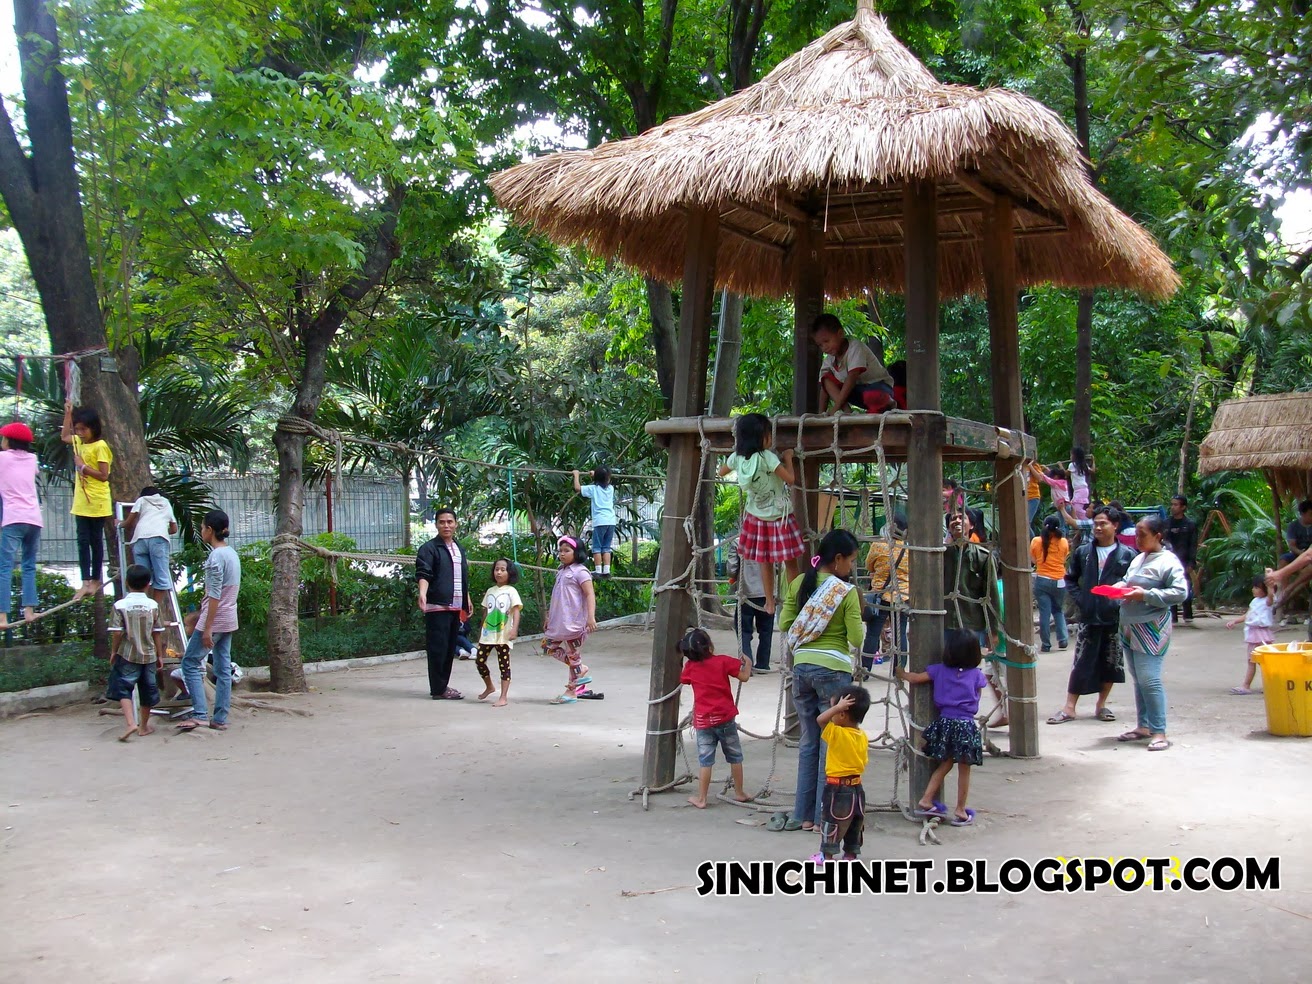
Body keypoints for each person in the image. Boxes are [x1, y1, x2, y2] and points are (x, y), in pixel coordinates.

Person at [772, 529, 863, 833]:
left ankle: (803, 814)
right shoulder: (845, 591)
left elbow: (785, 623)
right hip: (834, 673)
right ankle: (826, 817)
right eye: (850, 561)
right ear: (837, 559)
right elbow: (856, 638)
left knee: (809, 741)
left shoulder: (799, 582)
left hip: (802, 670)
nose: (851, 568)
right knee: (831, 745)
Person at [1047, 506, 1135, 725]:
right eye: (1096, 522)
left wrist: (1118, 603)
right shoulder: (1083, 552)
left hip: (1113, 618)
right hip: (1088, 616)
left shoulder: (1127, 555)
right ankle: (1070, 707)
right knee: (1081, 660)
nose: (1098, 527)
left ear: (1115, 526)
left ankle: (1101, 705)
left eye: (1103, 523)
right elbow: (1070, 578)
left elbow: (1133, 585)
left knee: (1111, 662)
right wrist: (1082, 599)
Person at [898, 629, 988, 826]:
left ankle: (926, 799)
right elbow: (977, 698)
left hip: (945, 722)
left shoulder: (938, 670)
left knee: (945, 763)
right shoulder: (976, 675)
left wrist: (900, 672)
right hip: (965, 724)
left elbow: (914, 678)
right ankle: (961, 810)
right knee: (965, 768)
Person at [1114, 516, 1188, 751]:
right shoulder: (1138, 559)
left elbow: (1180, 592)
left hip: (1152, 625)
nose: (1137, 539)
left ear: (1158, 536)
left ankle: (1159, 731)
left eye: (1142, 534)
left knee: (1150, 678)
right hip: (1129, 624)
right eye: (1136, 534)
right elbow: (1128, 581)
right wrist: (1119, 588)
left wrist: (1145, 595)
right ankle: (1144, 725)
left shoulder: (1168, 561)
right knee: (1139, 679)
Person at [718, 413, 803, 615]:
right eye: (767, 434)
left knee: (765, 560)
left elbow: (721, 472)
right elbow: (790, 479)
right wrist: (789, 459)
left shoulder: (737, 458)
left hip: (756, 518)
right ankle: (795, 599)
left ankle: (769, 602)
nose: (770, 438)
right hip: (779, 516)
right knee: (790, 561)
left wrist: (734, 460)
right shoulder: (768, 458)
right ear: (759, 437)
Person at [176, 511, 241, 732]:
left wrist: (207, 627)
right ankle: (220, 717)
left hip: (215, 619)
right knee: (223, 669)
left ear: (210, 530)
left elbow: (214, 595)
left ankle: (201, 714)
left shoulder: (215, 557)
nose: (201, 531)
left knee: (189, 663)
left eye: (203, 527)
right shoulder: (231, 553)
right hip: (229, 617)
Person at [678, 627, 752, 809]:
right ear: (709, 646)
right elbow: (744, 677)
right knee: (735, 756)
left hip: (703, 721)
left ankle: (702, 798)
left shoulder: (690, 667)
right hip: (725, 718)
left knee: (705, 760)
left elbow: (684, 680)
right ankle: (740, 792)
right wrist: (748, 664)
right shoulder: (722, 661)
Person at [415, 507, 472, 701]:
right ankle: (438, 689)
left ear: (456, 524)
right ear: (436, 524)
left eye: (450, 522)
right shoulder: (429, 548)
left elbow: (462, 576)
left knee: (449, 649)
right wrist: (422, 594)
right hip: (437, 606)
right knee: (437, 648)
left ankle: (442, 686)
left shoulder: (459, 548)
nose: (446, 525)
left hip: (455, 606)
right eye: (442, 522)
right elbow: (424, 573)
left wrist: (467, 598)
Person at [810, 686, 872, 863]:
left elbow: (821, 720)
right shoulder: (862, 735)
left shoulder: (837, 733)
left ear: (842, 714)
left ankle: (826, 855)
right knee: (854, 822)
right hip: (857, 788)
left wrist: (836, 707)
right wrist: (837, 706)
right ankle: (851, 854)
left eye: (835, 710)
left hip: (836, 787)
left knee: (831, 820)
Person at [106, 564, 167, 741]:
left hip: (127, 654)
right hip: (149, 655)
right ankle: (144, 727)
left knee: (123, 687)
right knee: (148, 689)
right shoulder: (153, 605)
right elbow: (157, 632)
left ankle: (130, 722)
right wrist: (159, 654)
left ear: (126, 582)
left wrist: (113, 651)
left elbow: (117, 632)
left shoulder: (120, 605)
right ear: (148, 584)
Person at [61, 402, 113, 600]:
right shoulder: (79, 443)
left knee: (95, 540)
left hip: (97, 501)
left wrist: (82, 467)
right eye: (78, 429)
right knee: (82, 541)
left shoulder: (100, 446)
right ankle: (85, 581)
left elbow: (103, 475)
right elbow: (65, 436)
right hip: (82, 502)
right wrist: (68, 414)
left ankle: (96, 580)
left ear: (93, 428)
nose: (80, 433)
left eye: (84, 429)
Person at [543, 534, 597, 704]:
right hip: (558, 621)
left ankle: (571, 692)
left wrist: (591, 617)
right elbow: (556, 597)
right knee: (548, 647)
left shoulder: (581, 571)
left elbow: (589, 594)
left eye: (567, 550)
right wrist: (549, 617)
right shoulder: (561, 571)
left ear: (577, 552)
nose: (562, 554)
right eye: (560, 550)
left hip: (574, 621)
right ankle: (580, 668)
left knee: (573, 654)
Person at [0, 422, 42, 629]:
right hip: (34, 519)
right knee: (28, 566)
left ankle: (2, 616)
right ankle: (29, 611)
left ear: (8, 440)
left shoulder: (2, 458)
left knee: (4, 568)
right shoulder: (33, 459)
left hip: (13, 518)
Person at [811, 312, 895, 414]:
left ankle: (887, 403)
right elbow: (824, 388)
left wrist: (834, 409)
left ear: (840, 334)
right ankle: (847, 412)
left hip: (879, 387)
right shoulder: (829, 360)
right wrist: (821, 414)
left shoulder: (855, 347)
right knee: (826, 379)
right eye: (820, 345)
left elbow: (852, 378)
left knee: (873, 395)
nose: (824, 347)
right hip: (859, 393)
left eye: (826, 341)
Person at [121, 484, 179, 608]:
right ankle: (153, 610)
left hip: (140, 539)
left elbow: (129, 522)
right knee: (162, 578)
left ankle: (142, 607)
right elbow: (174, 529)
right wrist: (161, 530)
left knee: (141, 577)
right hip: (159, 539)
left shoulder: (141, 500)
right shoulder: (165, 502)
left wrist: (120, 524)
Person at [863, 513, 908, 670]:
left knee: (873, 634)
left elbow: (869, 565)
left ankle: (866, 670)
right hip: (903, 596)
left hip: (880, 596)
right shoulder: (909, 547)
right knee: (900, 634)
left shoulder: (879, 546)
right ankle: (899, 670)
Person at [475, 558, 523, 706]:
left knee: (504, 665)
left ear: (510, 573)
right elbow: (485, 612)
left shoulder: (511, 591)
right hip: (487, 634)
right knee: (479, 661)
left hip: (503, 635)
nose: (499, 572)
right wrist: (481, 630)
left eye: (503, 569)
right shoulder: (490, 591)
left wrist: (514, 629)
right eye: (497, 569)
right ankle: (489, 686)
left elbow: (516, 612)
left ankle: (503, 697)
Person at [727, 534, 774, 671]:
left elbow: (732, 569)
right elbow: (776, 567)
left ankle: (746, 665)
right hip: (767, 593)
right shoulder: (769, 540)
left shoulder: (737, 542)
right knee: (766, 631)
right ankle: (763, 664)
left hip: (745, 593)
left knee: (743, 630)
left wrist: (735, 577)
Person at [1226, 577, 1274, 696]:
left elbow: (1271, 596)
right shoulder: (1254, 601)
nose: (1253, 589)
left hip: (1261, 633)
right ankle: (1248, 685)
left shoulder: (1267, 601)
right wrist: (1235, 621)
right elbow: (1247, 615)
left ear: (1264, 589)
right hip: (1253, 633)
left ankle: (1267, 684)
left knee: (1265, 661)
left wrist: (1270, 582)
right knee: (1252, 660)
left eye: (1256, 587)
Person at [1030, 515, 1070, 653]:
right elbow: (1064, 559)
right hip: (1060, 580)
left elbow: (1034, 560)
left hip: (1042, 580)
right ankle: (1063, 639)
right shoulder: (1064, 542)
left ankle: (1046, 644)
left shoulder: (1036, 541)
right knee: (1058, 610)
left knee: (1044, 613)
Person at [574, 467, 617, 577]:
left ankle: (598, 571)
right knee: (606, 547)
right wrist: (595, 475)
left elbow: (577, 488)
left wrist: (576, 475)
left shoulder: (593, 489)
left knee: (597, 547)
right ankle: (606, 571)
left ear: (596, 478)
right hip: (611, 521)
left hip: (600, 521)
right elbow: (603, 480)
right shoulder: (611, 489)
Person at [1164, 495, 1198, 625]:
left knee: (1186, 586)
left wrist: (1191, 562)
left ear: (1183, 507)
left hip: (1184, 561)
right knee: (1169, 585)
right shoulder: (1166, 523)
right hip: (1169, 560)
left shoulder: (1190, 525)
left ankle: (1188, 614)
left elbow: (1193, 545)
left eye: (1176, 504)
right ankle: (1172, 615)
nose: (1173, 507)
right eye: (1172, 504)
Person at [1280, 499, 1312, 567]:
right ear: (1302, 514)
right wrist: (1301, 553)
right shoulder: (1293, 526)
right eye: (1310, 514)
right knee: (1283, 559)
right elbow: (1292, 545)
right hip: (1297, 554)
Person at [1068, 446, 1094, 512]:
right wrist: (1093, 461)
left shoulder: (1072, 465)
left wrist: (1060, 465)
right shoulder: (1084, 465)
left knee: (1076, 510)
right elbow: (1093, 470)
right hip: (1084, 489)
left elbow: (1065, 473)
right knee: (1076, 508)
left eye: (1071, 454)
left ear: (1075, 456)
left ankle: (1084, 520)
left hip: (1079, 490)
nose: (1070, 456)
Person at [1024, 459, 1042, 534]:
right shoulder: (1021, 466)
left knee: (1026, 522)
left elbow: (1040, 478)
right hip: (1023, 497)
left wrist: (1030, 466)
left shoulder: (1035, 465)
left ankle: (1034, 542)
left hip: (1033, 497)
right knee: (1024, 522)